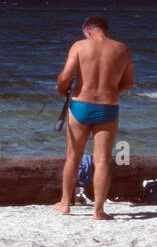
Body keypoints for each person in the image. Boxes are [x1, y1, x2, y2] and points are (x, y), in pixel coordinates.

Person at [55, 16, 134, 219]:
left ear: (88, 31)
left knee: (73, 156)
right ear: (104, 30)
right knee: (102, 160)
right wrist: (111, 90)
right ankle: (98, 211)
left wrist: (61, 89)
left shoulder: (80, 46)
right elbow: (128, 83)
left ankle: (65, 203)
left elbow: (65, 76)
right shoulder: (121, 49)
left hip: (81, 105)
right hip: (108, 107)